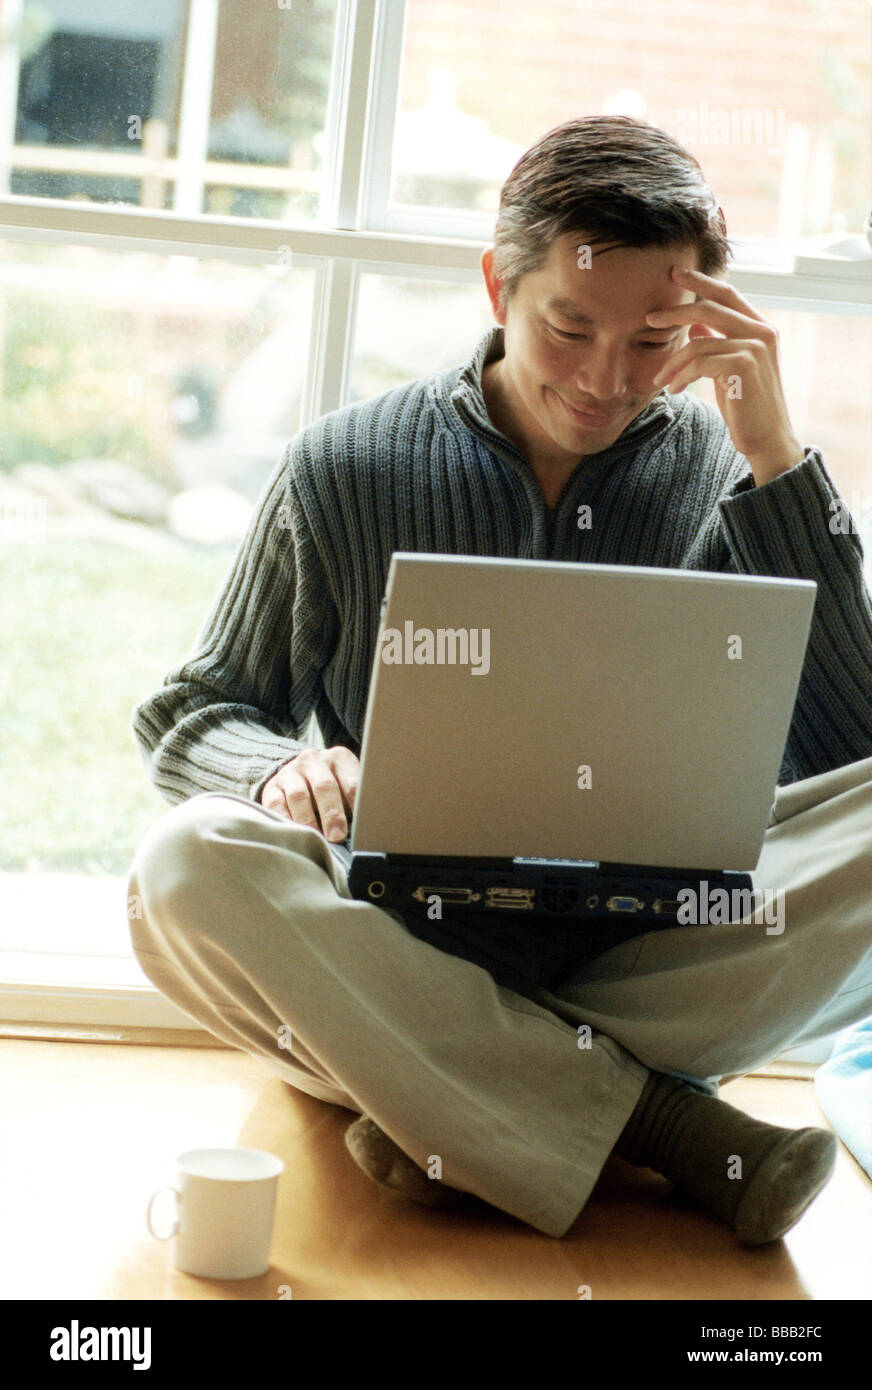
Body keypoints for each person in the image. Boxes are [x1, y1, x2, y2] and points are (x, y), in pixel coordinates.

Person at [127, 116, 872, 1245]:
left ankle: (448, 1105)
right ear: (496, 285)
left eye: (651, 341)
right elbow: (192, 713)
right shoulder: (344, 468)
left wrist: (774, 463)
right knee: (180, 867)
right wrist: (278, 767)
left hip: (650, 953)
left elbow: (845, 751)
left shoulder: (730, 481)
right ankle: (653, 1124)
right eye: (568, 326)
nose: (601, 377)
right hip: (394, 940)